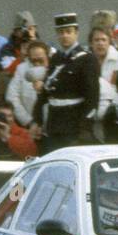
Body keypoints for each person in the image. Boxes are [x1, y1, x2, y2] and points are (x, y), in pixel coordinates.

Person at [37, 13, 99, 152]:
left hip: (74, 124)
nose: (64, 36)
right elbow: (46, 93)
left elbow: (92, 96)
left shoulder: (87, 59)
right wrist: (38, 120)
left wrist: (85, 127)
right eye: (61, 32)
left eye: (68, 32)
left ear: (76, 32)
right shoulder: (56, 58)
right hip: (54, 123)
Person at [6, 39, 51, 128]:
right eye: (34, 60)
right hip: (29, 124)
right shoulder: (21, 69)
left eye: (41, 60)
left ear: (47, 57)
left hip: (52, 124)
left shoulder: (56, 68)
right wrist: (28, 121)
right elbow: (11, 97)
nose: (37, 63)